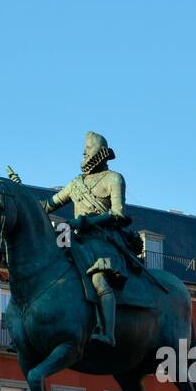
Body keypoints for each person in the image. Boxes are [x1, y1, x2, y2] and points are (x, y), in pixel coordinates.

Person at [41, 132, 146, 346]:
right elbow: (46, 206)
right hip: (76, 240)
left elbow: (118, 213)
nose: (83, 152)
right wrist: (20, 193)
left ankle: (107, 332)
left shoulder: (113, 179)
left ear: (98, 151)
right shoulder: (76, 183)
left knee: (99, 280)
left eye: (87, 148)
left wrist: (84, 222)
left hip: (104, 239)